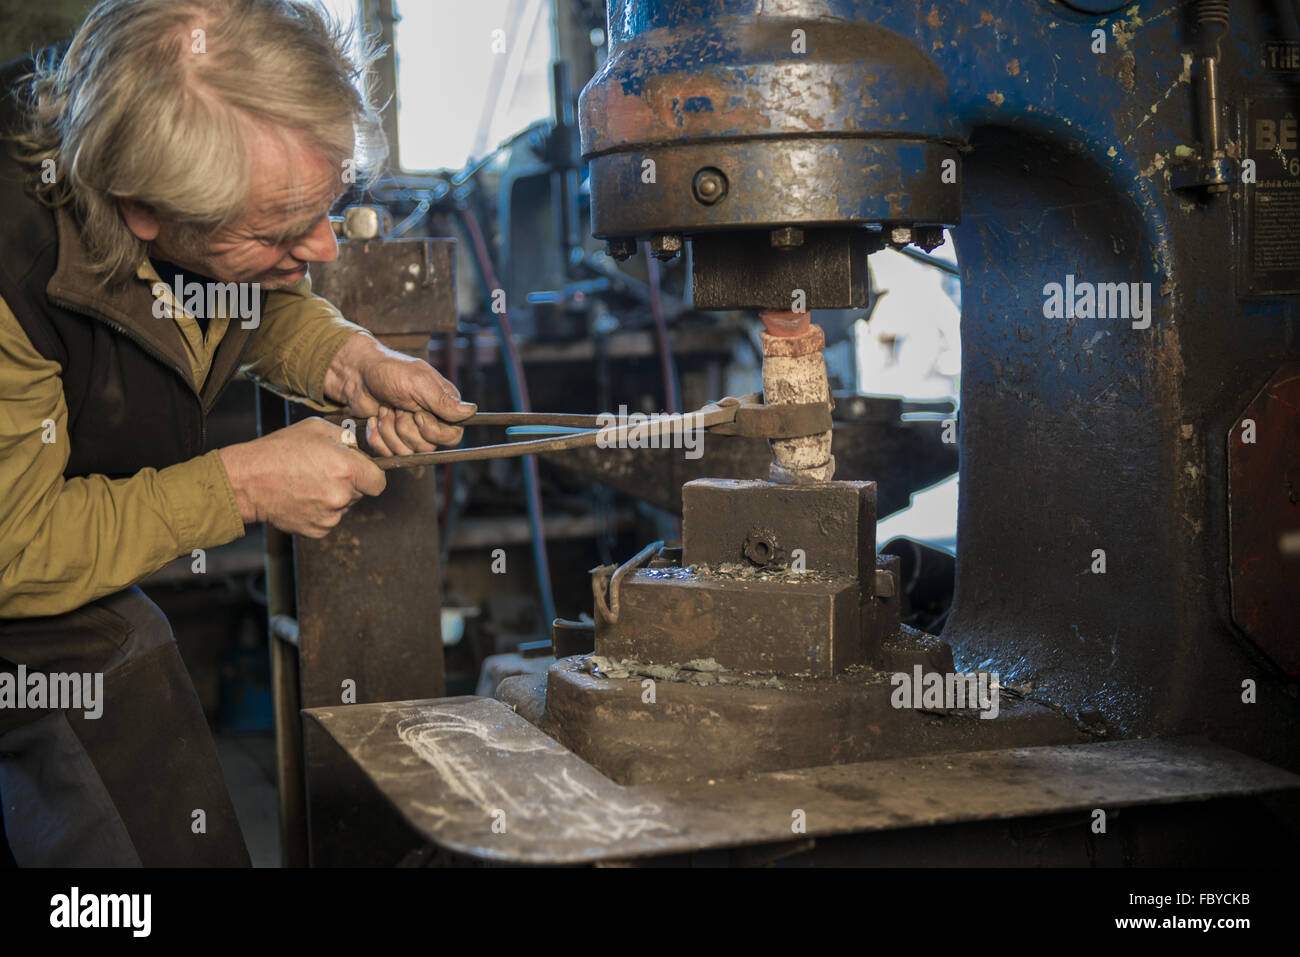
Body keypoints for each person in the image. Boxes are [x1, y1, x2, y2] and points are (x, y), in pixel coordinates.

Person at [0, 0, 473, 865]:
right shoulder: (12, 270)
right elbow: (14, 548)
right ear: (144, 209)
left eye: (327, 209)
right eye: (283, 229)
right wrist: (243, 485)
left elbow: (229, 293)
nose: (326, 249)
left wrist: (347, 360)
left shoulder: (170, 180)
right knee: (109, 656)